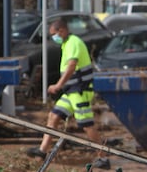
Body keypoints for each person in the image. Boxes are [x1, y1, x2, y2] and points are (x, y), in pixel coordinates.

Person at [27, 18, 104, 160]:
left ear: (61, 31)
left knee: (87, 125)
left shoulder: (74, 42)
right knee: (54, 116)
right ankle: (42, 150)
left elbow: (72, 66)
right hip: (71, 92)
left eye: (53, 34)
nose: (53, 38)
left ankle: (102, 158)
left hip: (80, 91)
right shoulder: (67, 43)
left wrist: (58, 85)